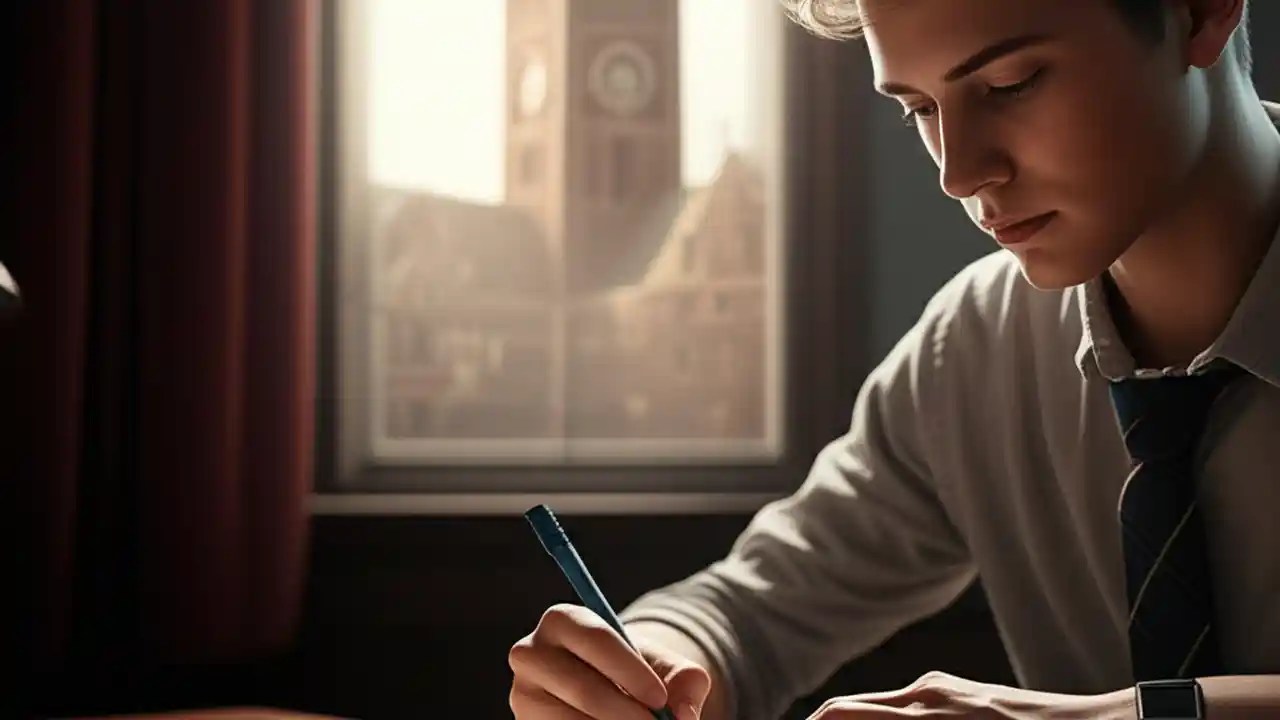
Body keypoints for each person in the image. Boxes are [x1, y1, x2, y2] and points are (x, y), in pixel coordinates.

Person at [508, 0, 1280, 717]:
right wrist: (645, 665)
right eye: (918, 109)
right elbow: (757, 606)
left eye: (1010, 84)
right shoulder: (975, 348)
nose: (958, 173)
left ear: (1202, 11)